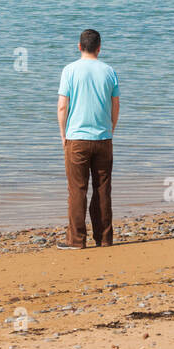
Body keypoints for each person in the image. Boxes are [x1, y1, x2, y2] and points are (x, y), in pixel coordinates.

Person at [57, 29, 120, 249]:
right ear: (99, 48)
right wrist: (110, 129)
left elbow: (63, 105)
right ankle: (104, 238)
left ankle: (76, 240)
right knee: (103, 189)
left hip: (77, 139)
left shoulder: (70, 70)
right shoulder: (109, 71)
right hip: (103, 138)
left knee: (77, 190)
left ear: (79, 46)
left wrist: (63, 134)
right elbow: (115, 105)